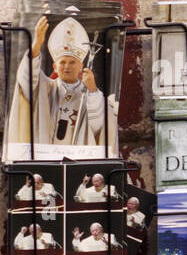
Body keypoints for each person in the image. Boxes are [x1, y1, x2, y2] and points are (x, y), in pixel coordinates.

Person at [5, 15, 116, 156]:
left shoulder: (90, 95)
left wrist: (93, 90)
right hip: (44, 158)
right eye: (62, 62)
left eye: (72, 62)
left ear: (81, 66)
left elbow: (99, 126)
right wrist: (37, 45)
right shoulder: (44, 88)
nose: (67, 67)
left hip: (79, 161)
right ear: (55, 67)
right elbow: (25, 79)